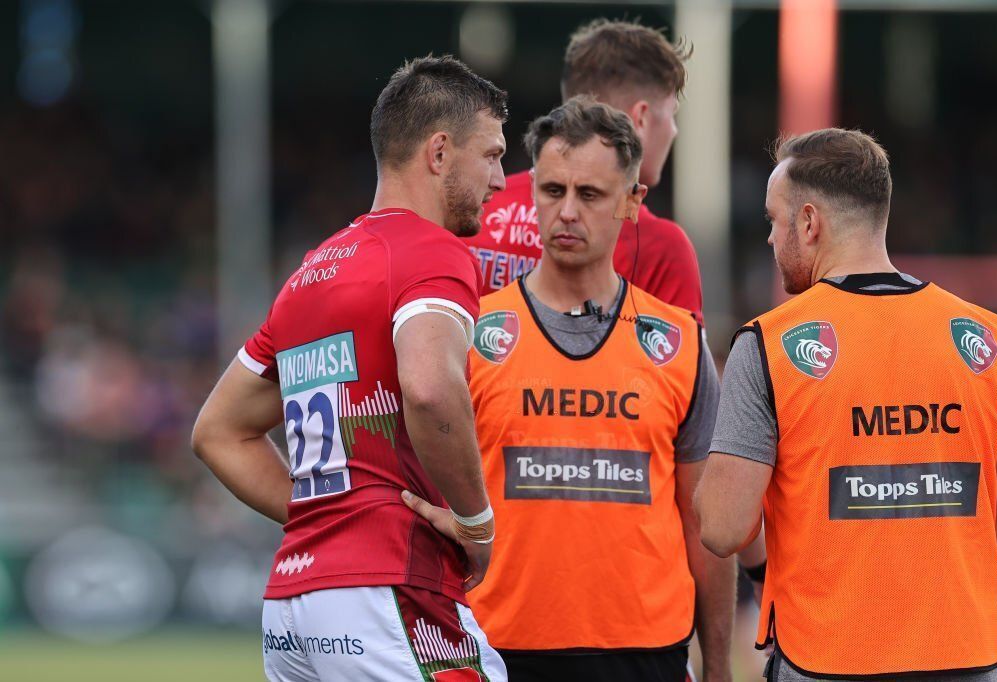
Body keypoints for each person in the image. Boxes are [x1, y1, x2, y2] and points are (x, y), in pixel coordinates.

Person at [191, 55, 510, 682]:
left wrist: (325, 521)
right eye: (492, 154)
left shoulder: (313, 271)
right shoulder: (430, 252)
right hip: (386, 590)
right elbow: (427, 388)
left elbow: (216, 431)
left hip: (293, 606)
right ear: (439, 152)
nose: (499, 180)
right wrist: (477, 525)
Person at [407, 97, 735, 682]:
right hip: (501, 649)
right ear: (530, 192)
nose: (566, 212)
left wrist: (718, 667)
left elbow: (703, 526)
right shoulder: (473, 331)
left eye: (590, 195)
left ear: (632, 203)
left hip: (646, 654)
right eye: (553, 190)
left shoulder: (679, 341)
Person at [694, 128, 997, 681]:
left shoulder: (770, 343)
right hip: (971, 659)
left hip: (827, 662)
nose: (771, 240)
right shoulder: (989, 340)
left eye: (774, 221)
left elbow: (722, 528)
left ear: (808, 221)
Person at [465, 18, 702, 317]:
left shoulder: (477, 208)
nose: (673, 131)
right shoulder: (659, 248)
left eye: (590, 194)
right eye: (671, 114)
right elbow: (679, 360)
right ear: (641, 117)